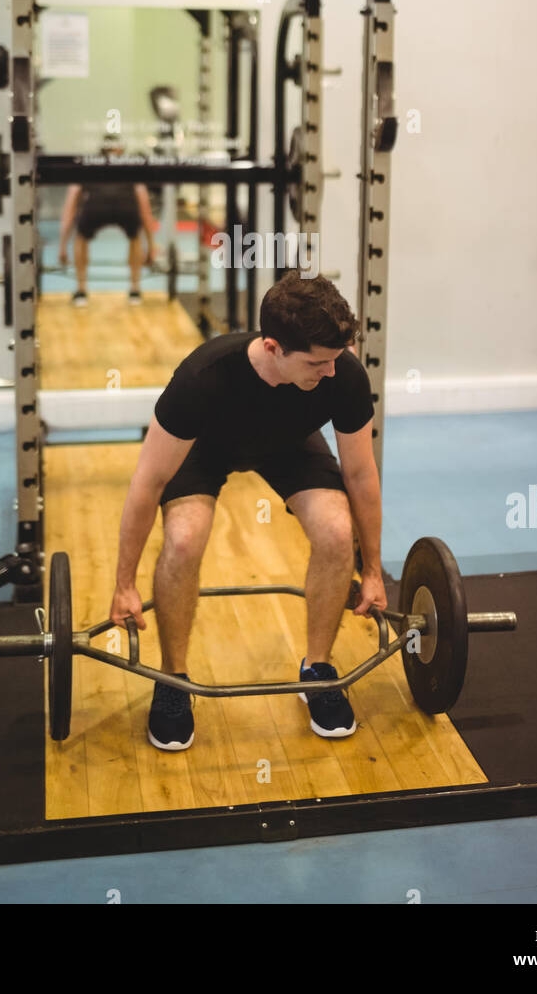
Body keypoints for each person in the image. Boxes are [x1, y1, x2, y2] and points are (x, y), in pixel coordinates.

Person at [108, 271, 387, 750]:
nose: (332, 372)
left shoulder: (342, 374)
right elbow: (147, 483)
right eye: (319, 362)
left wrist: (375, 569)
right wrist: (124, 584)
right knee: (184, 538)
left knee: (337, 532)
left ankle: (317, 670)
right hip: (203, 448)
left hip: (288, 445)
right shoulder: (202, 377)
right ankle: (174, 681)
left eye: (336, 359)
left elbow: (360, 475)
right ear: (274, 346)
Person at [57, 139, 156, 306]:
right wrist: (151, 247)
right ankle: (135, 290)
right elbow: (145, 209)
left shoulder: (89, 166)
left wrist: (63, 246)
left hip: (95, 207)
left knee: (81, 237)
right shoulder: (130, 167)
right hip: (126, 208)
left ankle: (81, 291)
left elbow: (70, 206)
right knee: (134, 236)